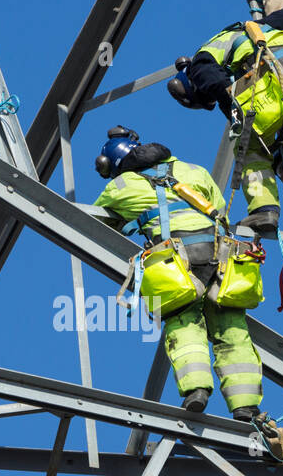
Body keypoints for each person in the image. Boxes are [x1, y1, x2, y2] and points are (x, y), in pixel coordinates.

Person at [90, 126, 269, 424]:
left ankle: (196, 390)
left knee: (185, 326)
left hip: (176, 260)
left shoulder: (120, 186)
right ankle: (245, 406)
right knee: (232, 331)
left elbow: (96, 222)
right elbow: (220, 209)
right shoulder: (192, 169)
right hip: (220, 254)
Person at [175, 10, 283, 253]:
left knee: (250, 151)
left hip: (275, 77)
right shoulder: (250, 28)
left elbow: (215, 83)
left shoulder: (201, 59)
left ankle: (264, 211)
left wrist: (235, 112)